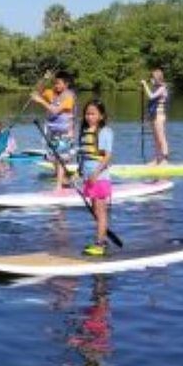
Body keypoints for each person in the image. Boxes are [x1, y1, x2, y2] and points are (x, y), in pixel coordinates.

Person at [77, 100, 113, 256]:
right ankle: (102, 236)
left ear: (101, 115)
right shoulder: (85, 131)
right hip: (88, 177)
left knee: (100, 210)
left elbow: (106, 157)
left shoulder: (105, 131)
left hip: (99, 177)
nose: (89, 116)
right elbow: (83, 157)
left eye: (93, 114)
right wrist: (78, 173)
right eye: (87, 114)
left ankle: (100, 243)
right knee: (95, 211)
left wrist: (96, 174)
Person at [32, 70, 76, 191]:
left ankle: (59, 186)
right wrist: (45, 79)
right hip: (52, 131)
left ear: (66, 84)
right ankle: (64, 181)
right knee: (52, 158)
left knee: (60, 157)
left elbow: (55, 111)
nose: (56, 86)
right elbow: (36, 91)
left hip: (65, 132)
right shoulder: (51, 93)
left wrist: (41, 101)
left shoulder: (69, 96)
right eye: (55, 83)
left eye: (59, 83)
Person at [140, 68, 170, 165]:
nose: (151, 80)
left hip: (160, 116)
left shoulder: (162, 88)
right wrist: (147, 117)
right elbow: (151, 104)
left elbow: (151, 96)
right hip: (154, 116)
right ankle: (157, 159)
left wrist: (145, 85)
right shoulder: (155, 88)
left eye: (152, 78)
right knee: (156, 138)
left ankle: (164, 159)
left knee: (161, 138)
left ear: (157, 79)